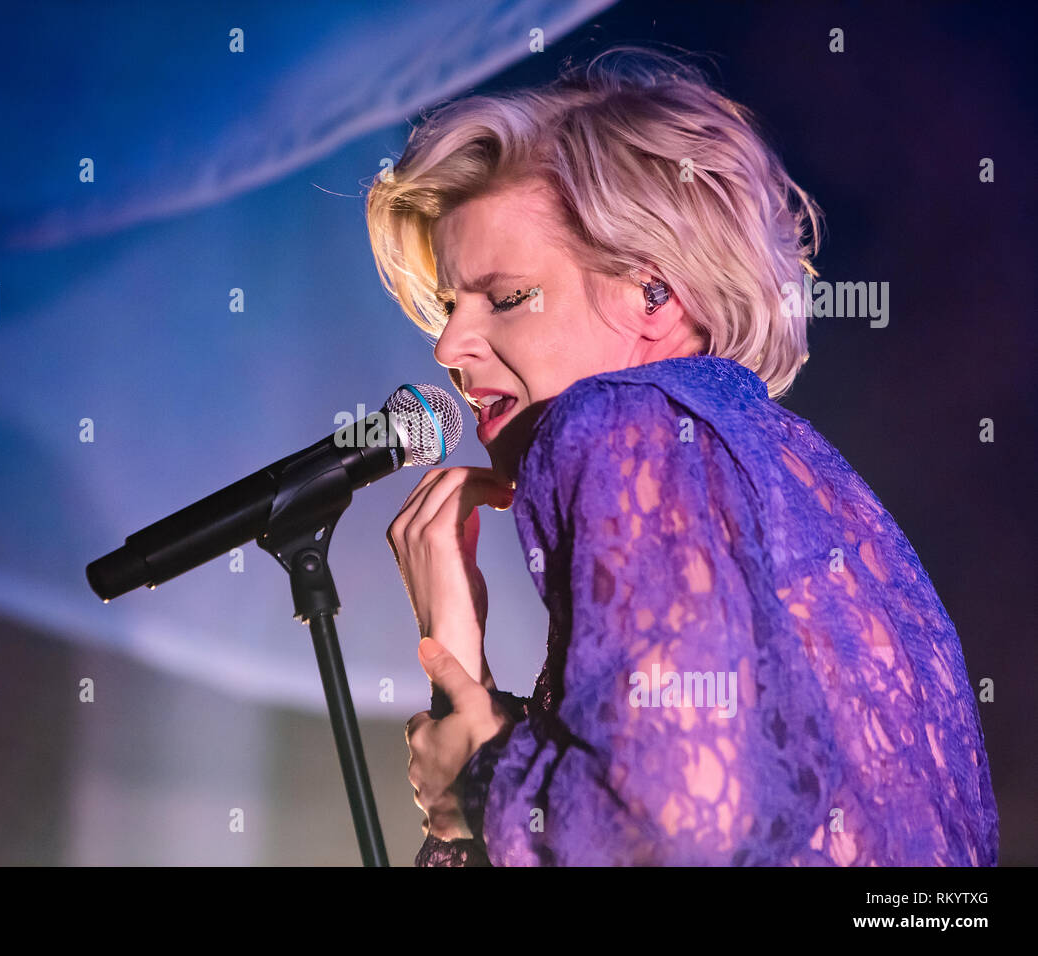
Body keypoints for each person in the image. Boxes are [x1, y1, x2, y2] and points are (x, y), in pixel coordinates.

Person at [367, 47, 999, 866]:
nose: (451, 344)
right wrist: (467, 684)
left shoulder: (618, 419)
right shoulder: (809, 482)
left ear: (655, 297)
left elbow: (681, 822)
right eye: (452, 304)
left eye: (508, 298)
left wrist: (484, 778)